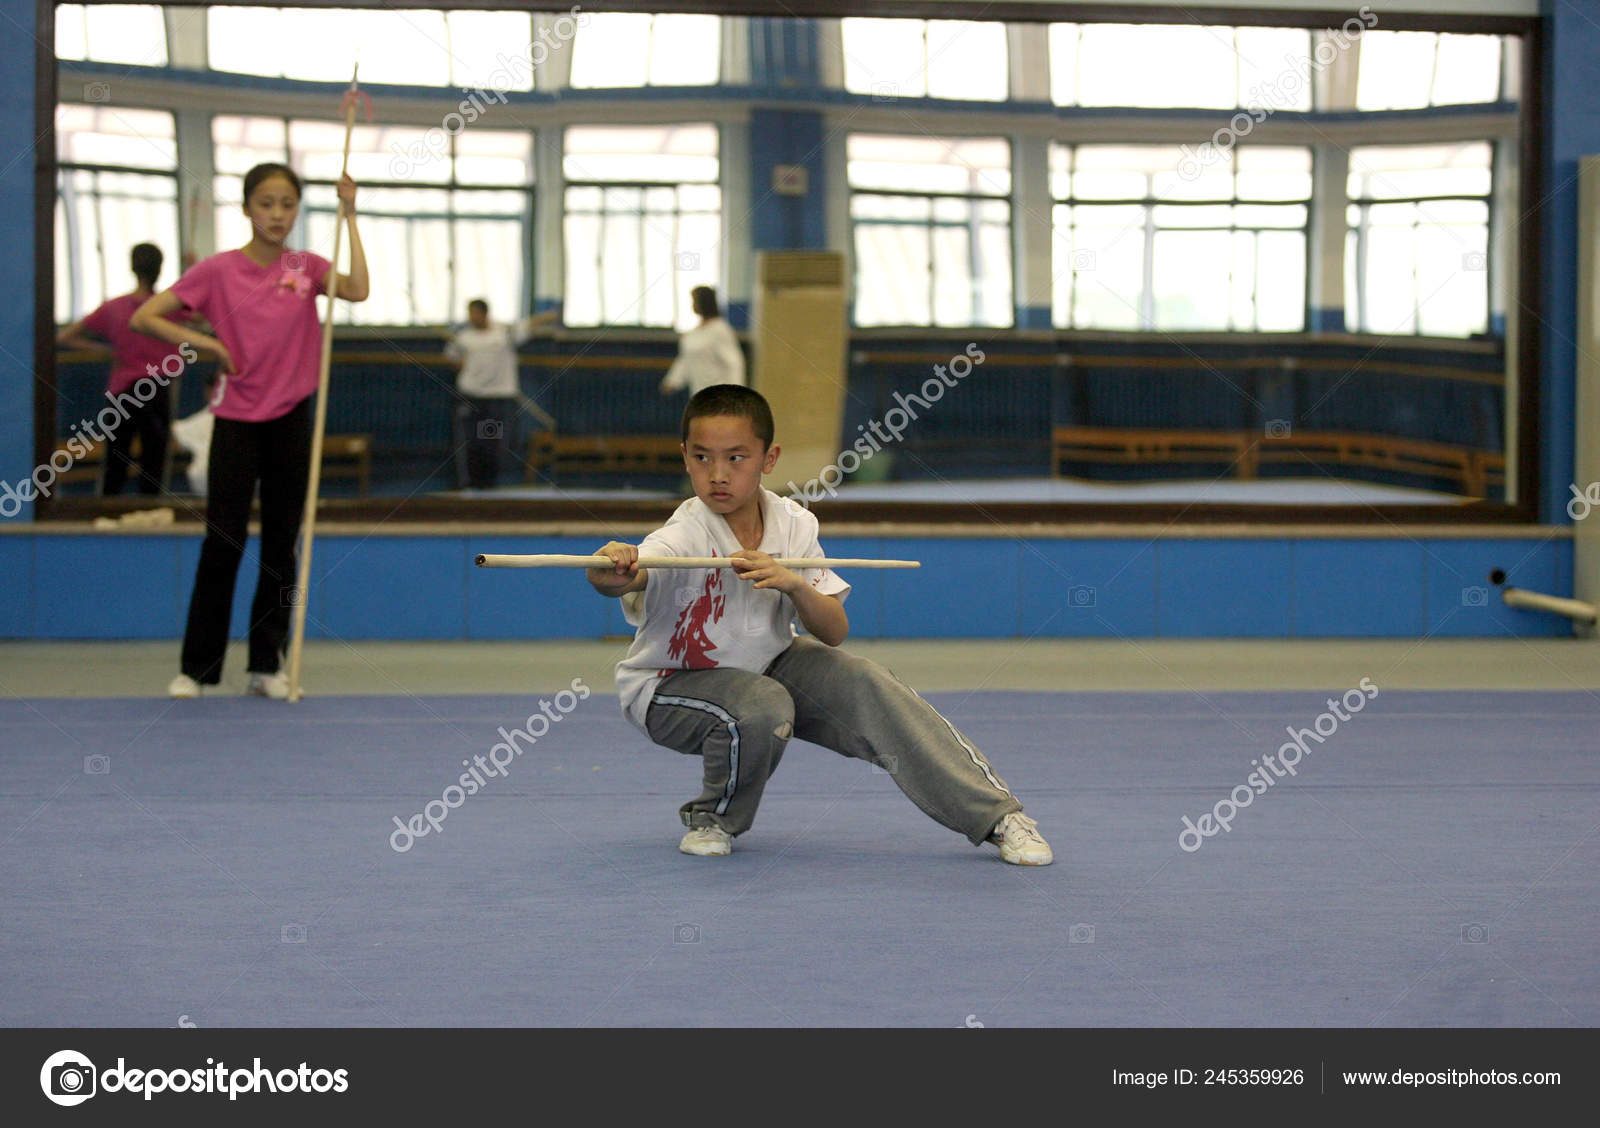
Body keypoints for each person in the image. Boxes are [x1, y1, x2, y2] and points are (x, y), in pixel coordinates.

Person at [586, 384, 1053, 865]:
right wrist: (613, 569)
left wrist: (794, 585)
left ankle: (998, 816)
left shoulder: (795, 524)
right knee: (763, 704)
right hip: (671, 688)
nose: (718, 475)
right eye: (702, 458)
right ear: (684, 456)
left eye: (736, 458)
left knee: (866, 680)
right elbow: (631, 572)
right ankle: (714, 818)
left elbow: (833, 631)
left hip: (767, 665)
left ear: (769, 460)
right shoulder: (683, 532)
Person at [131, 162, 369, 699]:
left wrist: (350, 214)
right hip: (236, 419)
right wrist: (209, 346)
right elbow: (145, 316)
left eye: (287, 204)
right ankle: (196, 669)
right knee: (224, 540)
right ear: (246, 208)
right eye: (266, 203)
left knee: (282, 545)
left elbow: (356, 289)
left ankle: (267, 664)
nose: (277, 214)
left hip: (292, 419)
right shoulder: (216, 271)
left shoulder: (305, 266)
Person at [55, 243, 192, 495]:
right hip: (157, 390)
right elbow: (206, 312)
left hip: (122, 392)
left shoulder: (113, 308)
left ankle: (107, 509)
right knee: (155, 459)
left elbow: (64, 338)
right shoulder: (170, 307)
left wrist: (105, 350)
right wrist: (191, 270)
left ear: (132, 267)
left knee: (116, 457)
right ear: (160, 269)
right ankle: (151, 513)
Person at [443, 299, 557, 490]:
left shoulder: (504, 333)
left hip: (497, 398)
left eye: (475, 313)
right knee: (471, 443)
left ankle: (489, 486)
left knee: (492, 443)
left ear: (484, 314)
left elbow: (527, 325)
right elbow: (451, 357)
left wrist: (550, 316)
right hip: (471, 396)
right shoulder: (463, 337)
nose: (472, 317)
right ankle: (467, 486)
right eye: (469, 314)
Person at [659, 286, 745, 397]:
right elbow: (685, 359)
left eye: (694, 301)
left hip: (720, 395)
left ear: (704, 302)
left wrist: (737, 394)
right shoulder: (694, 332)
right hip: (699, 393)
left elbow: (734, 364)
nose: (692, 305)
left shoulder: (720, 330)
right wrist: (672, 381)